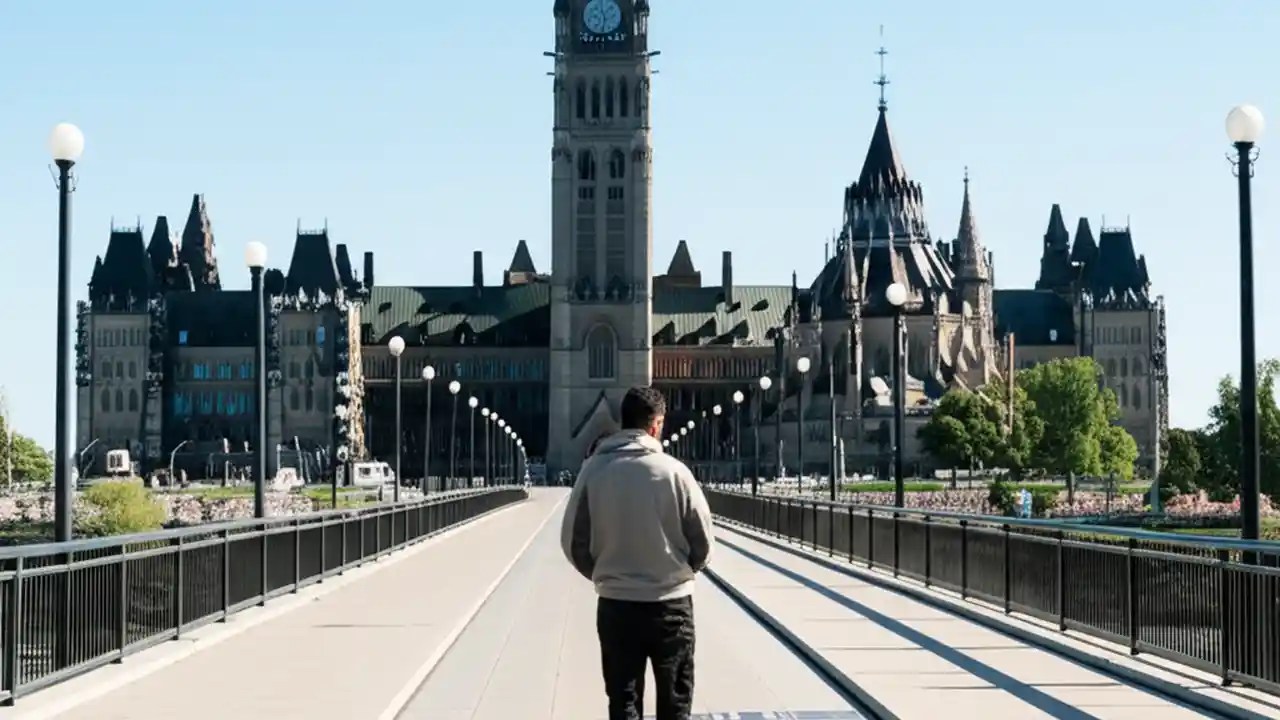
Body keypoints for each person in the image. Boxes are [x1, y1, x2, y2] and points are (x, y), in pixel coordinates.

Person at [560, 386, 714, 720]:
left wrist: (605, 573)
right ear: (656, 424)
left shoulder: (593, 471)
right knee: (675, 704)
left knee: (624, 703)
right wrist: (677, 572)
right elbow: (703, 543)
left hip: (616, 604)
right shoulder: (675, 472)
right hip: (671, 605)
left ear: (622, 422)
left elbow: (572, 542)